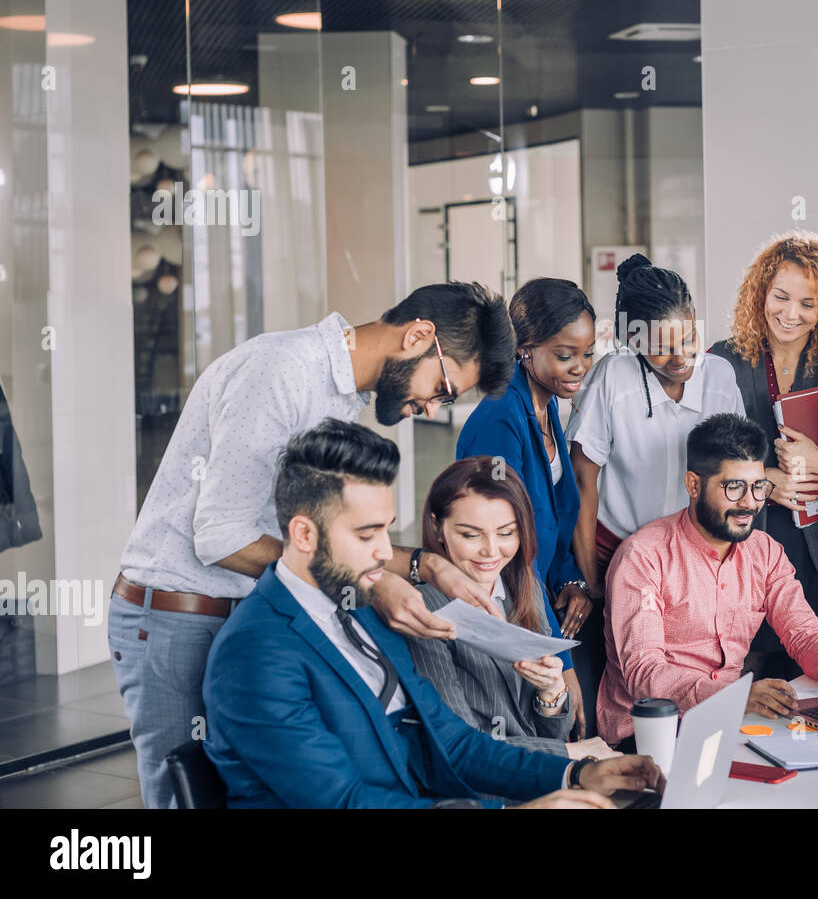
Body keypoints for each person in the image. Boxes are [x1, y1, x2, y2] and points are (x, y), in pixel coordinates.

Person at [109, 282, 517, 808]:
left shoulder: (343, 396)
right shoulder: (282, 371)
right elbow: (223, 536)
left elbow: (327, 540)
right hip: (178, 615)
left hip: (242, 612)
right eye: (443, 388)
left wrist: (428, 566)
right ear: (418, 336)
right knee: (185, 798)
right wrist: (375, 585)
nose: (432, 406)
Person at [202, 420, 660, 808]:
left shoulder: (360, 614)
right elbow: (344, 802)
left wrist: (575, 776)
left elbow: (454, 746)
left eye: (385, 529)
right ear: (303, 534)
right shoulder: (256, 651)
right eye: (367, 535)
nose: (387, 552)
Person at [568, 254, 745, 728]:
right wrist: (591, 581)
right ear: (631, 341)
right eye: (664, 348)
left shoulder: (719, 377)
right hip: (613, 552)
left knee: (688, 687)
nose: (683, 356)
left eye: (689, 338)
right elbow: (583, 484)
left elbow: (734, 480)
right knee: (623, 692)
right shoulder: (612, 378)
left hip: (690, 561)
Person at [597, 413, 818, 746]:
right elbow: (645, 673)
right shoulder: (643, 555)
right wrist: (734, 697)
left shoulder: (765, 552)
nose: (749, 503)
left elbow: (804, 634)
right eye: (733, 487)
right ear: (694, 485)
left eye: (758, 487)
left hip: (727, 723)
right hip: (650, 731)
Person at [709, 231, 818, 679]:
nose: (790, 314)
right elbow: (697, 462)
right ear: (761, 292)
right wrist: (763, 478)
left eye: (808, 304)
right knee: (745, 680)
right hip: (741, 547)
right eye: (781, 297)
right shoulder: (720, 362)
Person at [454, 278, 596, 733]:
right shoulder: (501, 417)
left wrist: (571, 578)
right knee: (558, 723)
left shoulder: (547, 403)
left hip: (539, 600)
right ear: (526, 349)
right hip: (505, 606)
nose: (580, 367)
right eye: (565, 354)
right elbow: (505, 550)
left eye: (587, 353)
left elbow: (550, 520)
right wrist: (559, 659)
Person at [407, 456, 617, 758]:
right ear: (438, 527)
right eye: (470, 535)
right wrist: (569, 755)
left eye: (506, 533)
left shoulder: (524, 584)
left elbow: (553, 731)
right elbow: (459, 748)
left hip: (538, 777)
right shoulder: (425, 608)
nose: (491, 551)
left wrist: (552, 693)